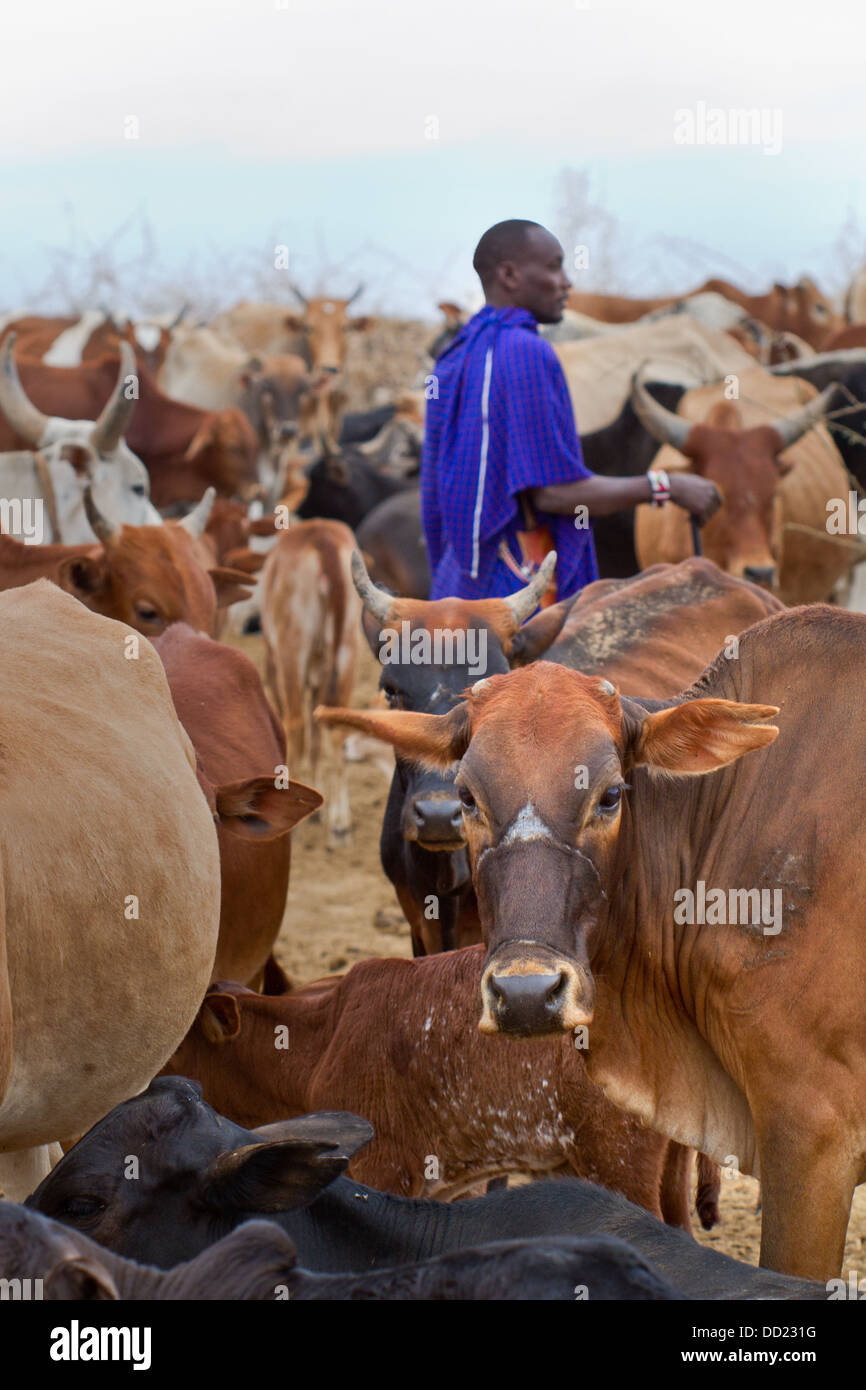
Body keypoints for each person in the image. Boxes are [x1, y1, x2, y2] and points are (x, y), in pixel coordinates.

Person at [420, 219, 721, 601]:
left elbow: (431, 498)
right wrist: (666, 486)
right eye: (553, 266)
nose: (566, 282)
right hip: (518, 595)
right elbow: (556, 494)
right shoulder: (526, 351)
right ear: (509, 275)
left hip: (456, 588)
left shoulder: (453, 356)